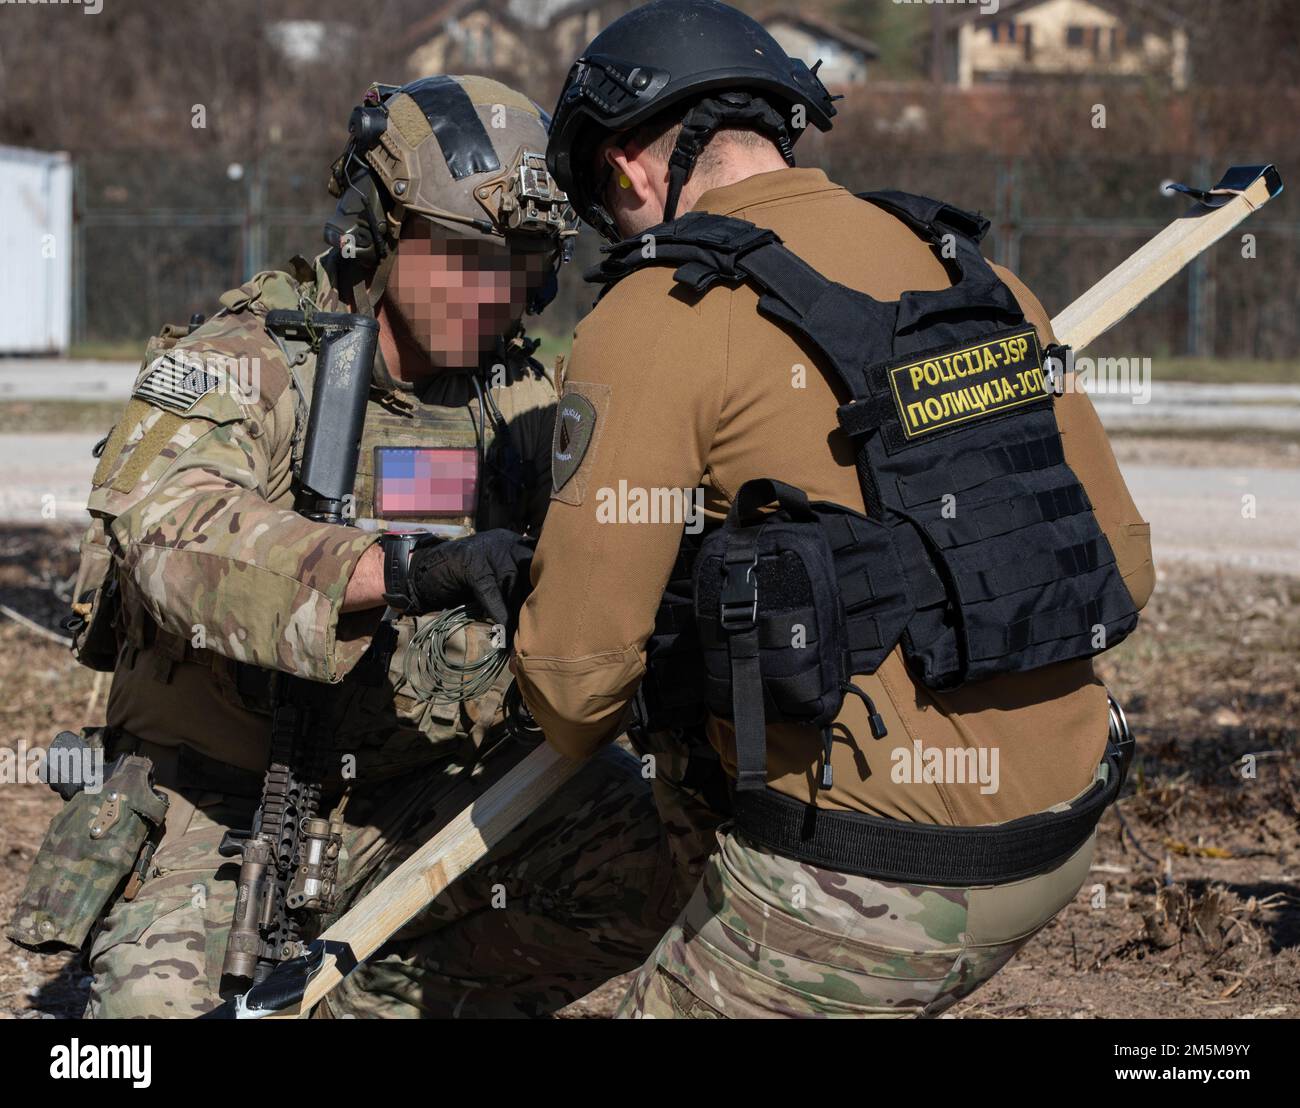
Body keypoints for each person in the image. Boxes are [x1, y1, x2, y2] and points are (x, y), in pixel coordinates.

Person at [515, 0, 1156, 1019]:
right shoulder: (974, 271)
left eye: (602, 190)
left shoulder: (655, 309)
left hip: (879, 884)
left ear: (629, 164)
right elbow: (1124, 567)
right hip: (1063, 831)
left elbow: (574, 689)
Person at [7, 75, 682, 1018]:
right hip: (220, 805)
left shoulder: (516, 398)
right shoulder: (241, 357)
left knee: (658, 850)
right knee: (154, 1025)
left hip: (422, 796)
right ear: (380, 228)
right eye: (462, 255)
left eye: (521, 261)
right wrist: (397, 569)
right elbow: (166, 531)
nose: (492, 291)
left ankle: (363, 1002)